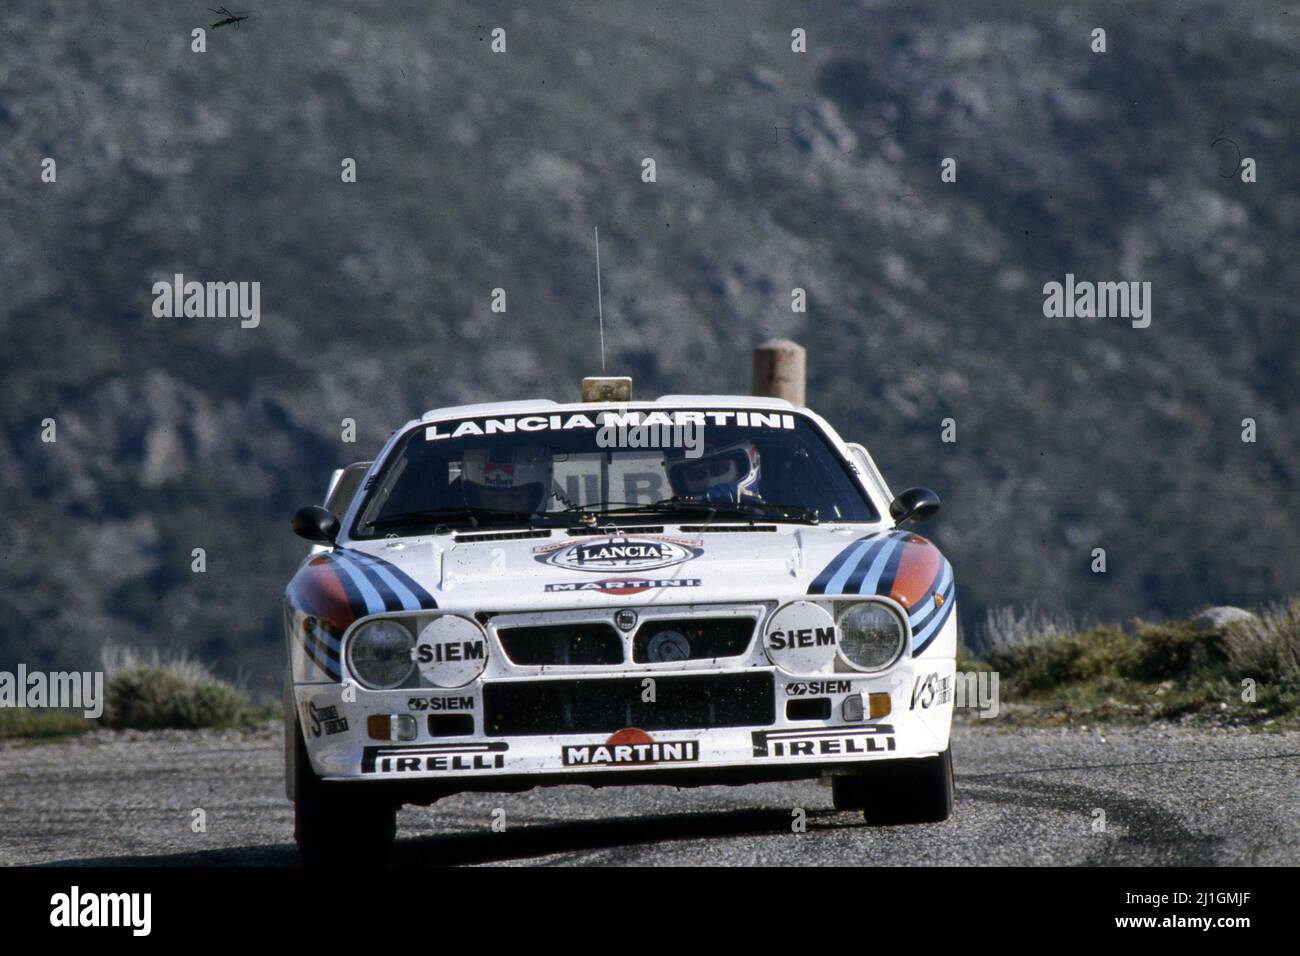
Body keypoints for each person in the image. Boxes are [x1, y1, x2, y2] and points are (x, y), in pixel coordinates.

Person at [461, 444, 554, 513]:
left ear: (535, 496)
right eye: (491, 497)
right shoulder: (451, 528)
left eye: (515, 496)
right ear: (476, 496)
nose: (502, 506)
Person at [666, 439, 762, 505]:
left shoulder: (772, 514)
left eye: (719, 468)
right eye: (696, 474)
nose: (709, 481)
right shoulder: (667, 519)